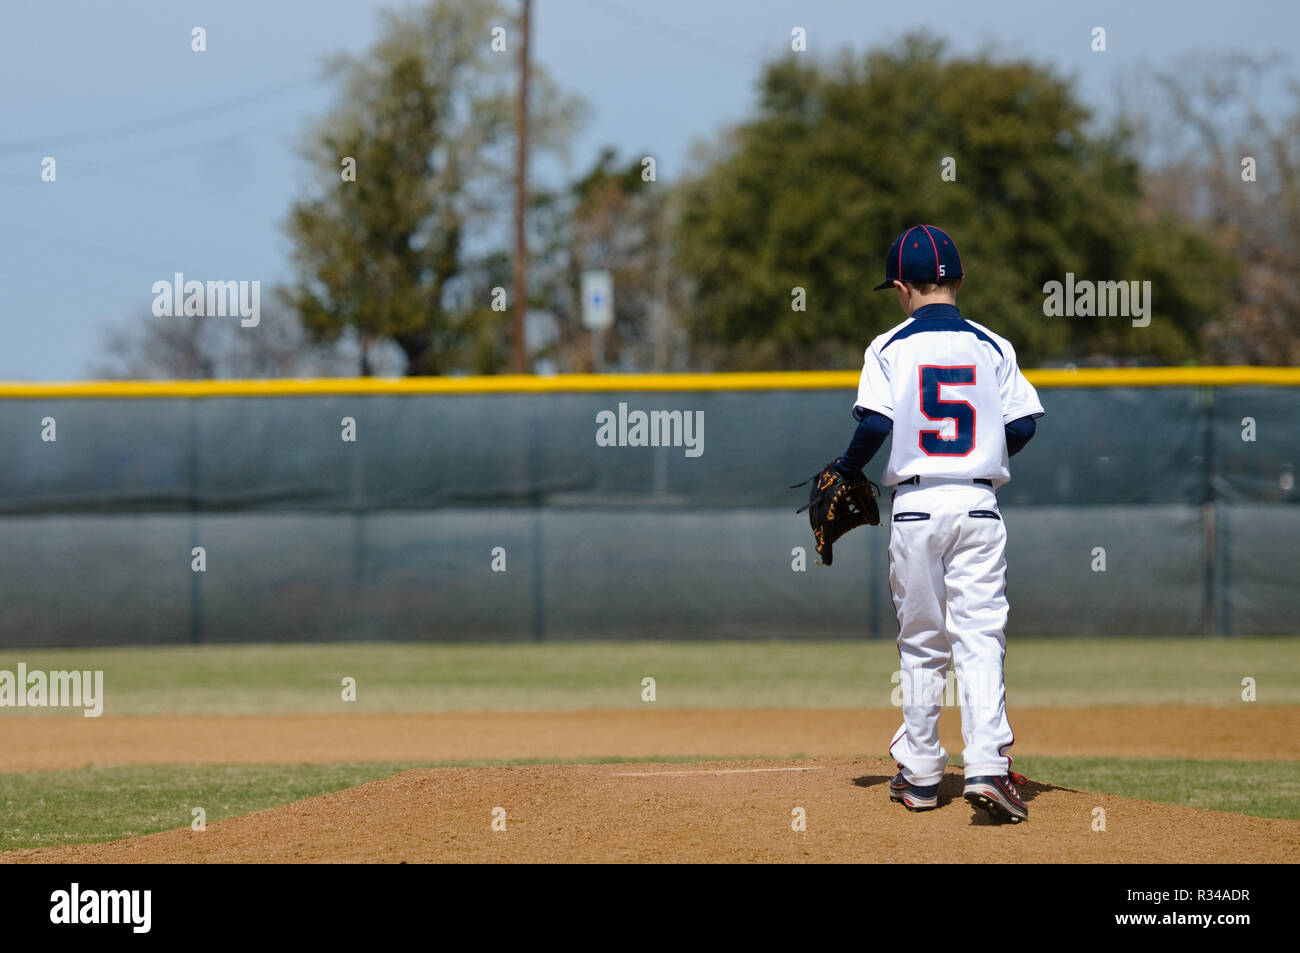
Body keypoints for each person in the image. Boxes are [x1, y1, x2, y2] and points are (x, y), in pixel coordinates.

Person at [835, 224, 1044, 823]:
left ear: (902, 286)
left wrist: (847, 467)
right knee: (980, 636)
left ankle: (922, 774)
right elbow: (1025, 424)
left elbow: (874, 424)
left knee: (923, 642)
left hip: (917, 506)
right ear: (958, 280)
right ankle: (987, 767)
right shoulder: (993, 345)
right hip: (978, 504)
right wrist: (981, 452)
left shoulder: (889, 347)